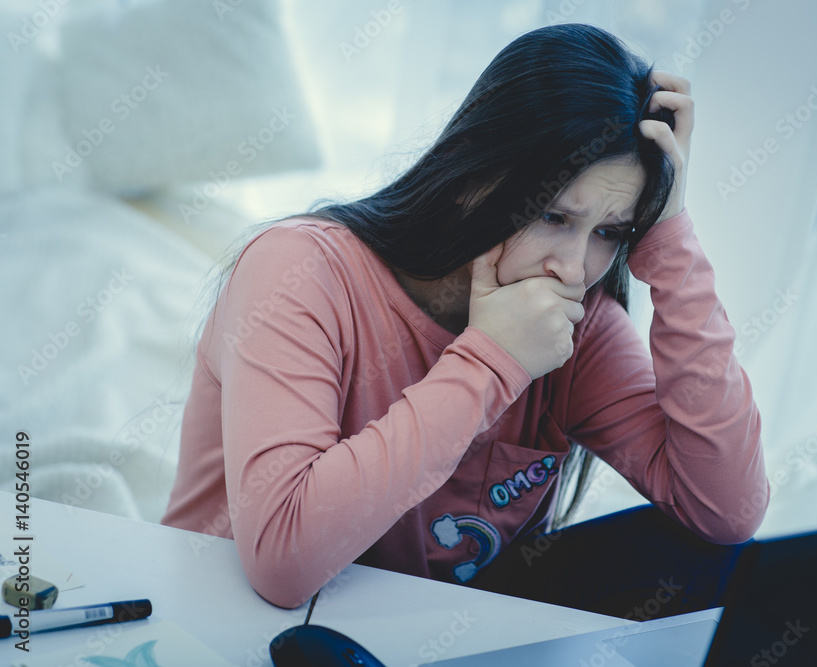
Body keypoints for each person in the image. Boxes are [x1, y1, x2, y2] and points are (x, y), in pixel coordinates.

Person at [161, 22, 769, 614]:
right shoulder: (300, 269)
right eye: (554, 217)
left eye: (609, 232)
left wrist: (671, 242)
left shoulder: (576, 324)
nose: (574, 267)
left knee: (700, 561)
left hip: (432, 639)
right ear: (474, 179)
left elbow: (726, 512)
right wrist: (491, 361)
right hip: (242, 631)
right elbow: (282, 562)